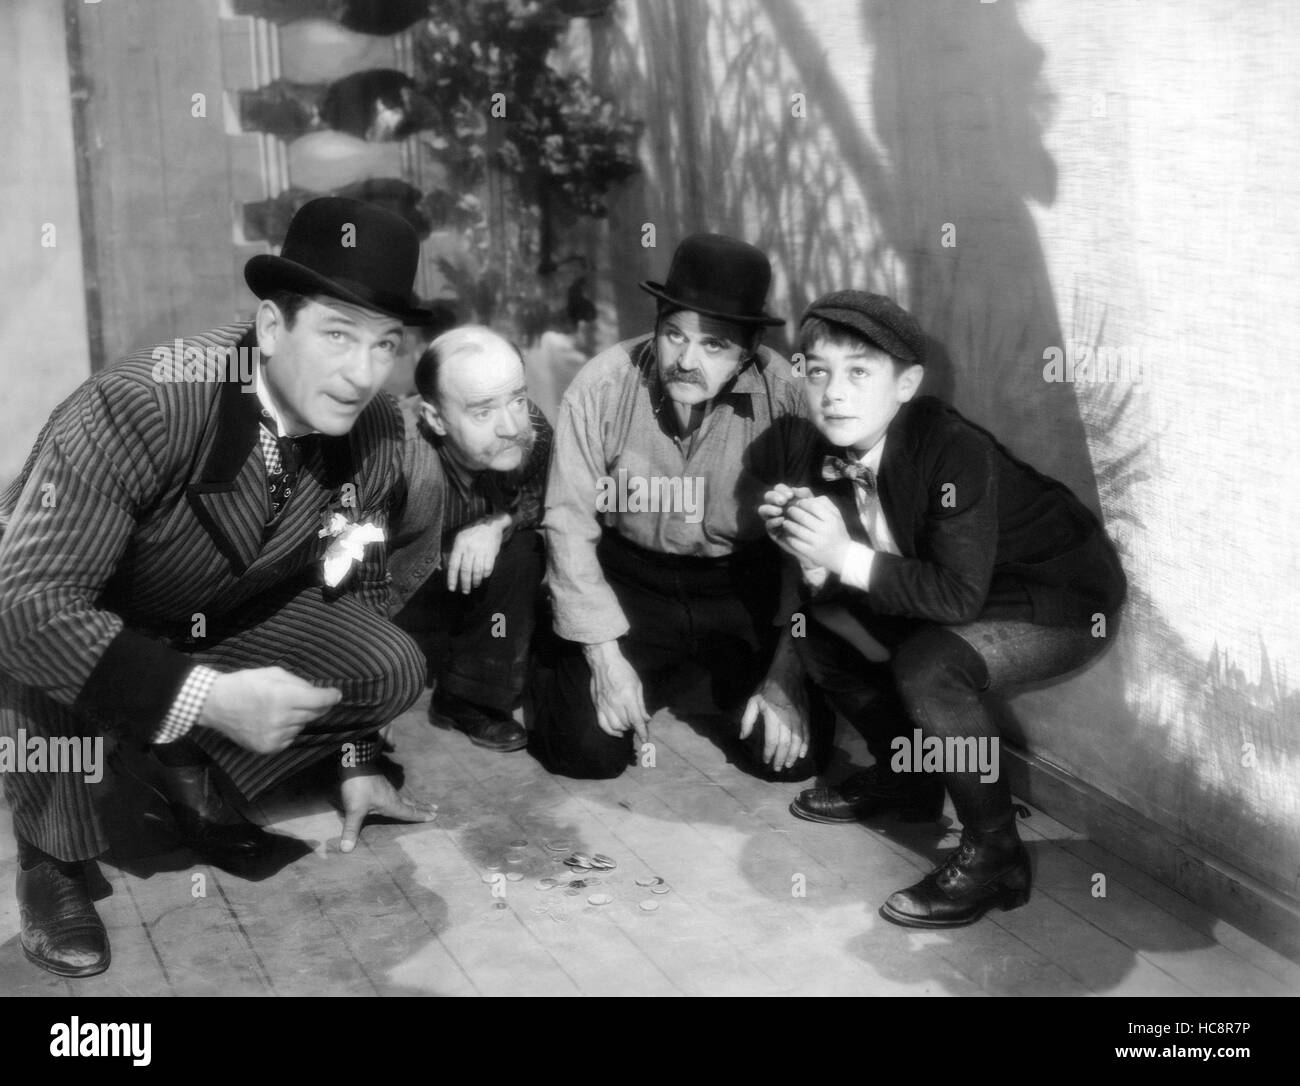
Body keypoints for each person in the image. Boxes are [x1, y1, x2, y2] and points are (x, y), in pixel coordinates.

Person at [0, 197, 439, 978]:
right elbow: (27, 608)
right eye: (337, 335)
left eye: (385, 345)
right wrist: (207, 697)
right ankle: (51, 860)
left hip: (212, 610)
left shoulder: (374, 432)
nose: (363, 373)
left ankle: (171, 754)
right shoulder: (146, 402)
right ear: (272, 329)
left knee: (389, 664)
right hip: (69, 609)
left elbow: (363, 576)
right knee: (37, 651)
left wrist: (355, 753)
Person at [761, 290, 1126, 928]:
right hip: (955, 587)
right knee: (821, 624)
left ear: (907, 385)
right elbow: (859, 573)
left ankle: (995, 857)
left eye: (859, 373)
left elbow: (956, 596)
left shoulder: (951, 447)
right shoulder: (828, 448)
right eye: (817, 371)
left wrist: (841, 553)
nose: (833, 394)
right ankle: (908, 775)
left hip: (1058, 598)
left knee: (930, 667)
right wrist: (806, 546)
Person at [532, 233, 826, 782]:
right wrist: (603, 659)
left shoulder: (785, 398)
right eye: (674, 335)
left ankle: (707, 672)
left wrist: (787, 672)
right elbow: (567, 522)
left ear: (746, 353)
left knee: (790, 759)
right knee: (584, 753)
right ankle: (565, 657)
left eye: (713, 345)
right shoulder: (604, 384)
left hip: (740, 583)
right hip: (631, 577)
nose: (686, 360)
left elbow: (804, 553)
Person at [388, 326, 552, 752]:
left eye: (517, 398)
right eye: (482, 412)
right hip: (394, 594)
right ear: (435, 419)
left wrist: (497, 523)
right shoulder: (392, 454)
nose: (511, 426)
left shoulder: (529, 430)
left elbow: (544, 499)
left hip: (470, 591)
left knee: (525, 550)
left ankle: (469, 699)